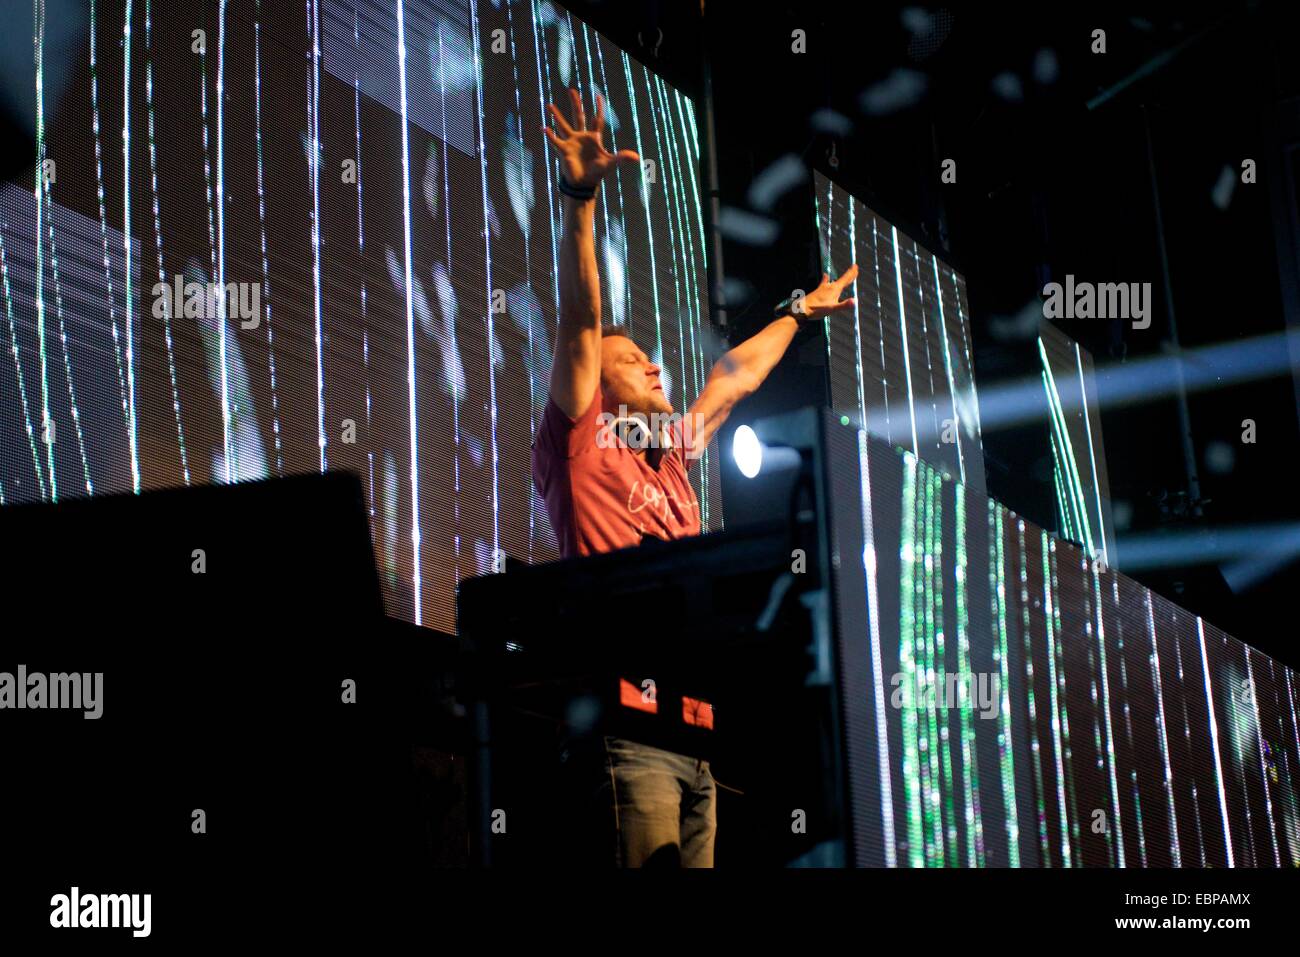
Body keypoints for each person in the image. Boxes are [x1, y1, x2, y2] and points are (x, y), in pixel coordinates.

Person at [533, 87, 857, 867]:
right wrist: (580, 198)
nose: (651, 361)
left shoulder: (670, 448)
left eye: (649, 354)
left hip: (699, 739)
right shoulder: (583, 440)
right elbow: (582, 320)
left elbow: (735, 375)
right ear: (597, 386)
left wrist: (801, 311)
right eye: (630, 360)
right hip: (631, 731)